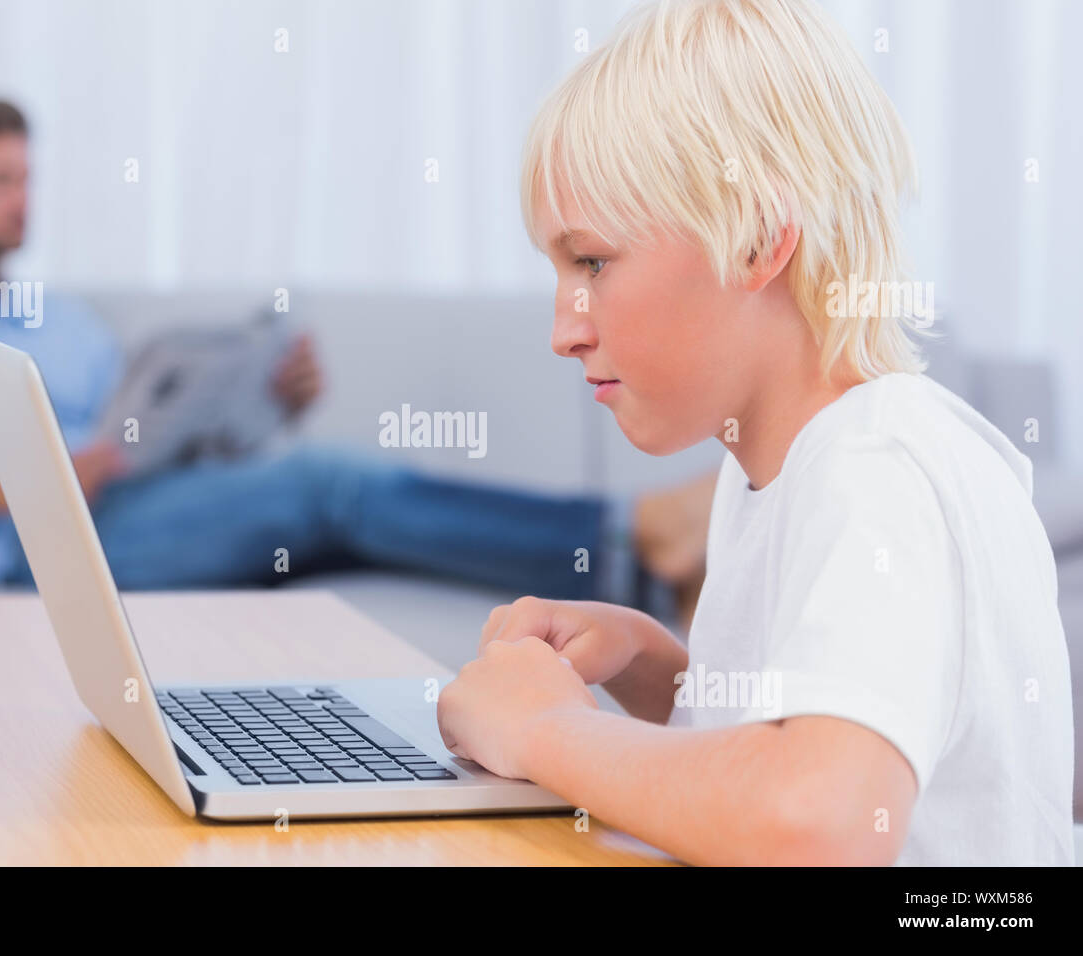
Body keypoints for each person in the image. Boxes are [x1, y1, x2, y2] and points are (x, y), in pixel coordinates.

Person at [435, 0, 1074, 865]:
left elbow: (816, 821)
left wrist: (544, 731)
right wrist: (645, 660)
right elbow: (785, 743)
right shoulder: (774, 467)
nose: (565, 329)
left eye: (591, 263)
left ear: (758, 241)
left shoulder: (879, 470)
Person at [0, 100, 715, 620]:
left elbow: (151, 440)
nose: (24, 201)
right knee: (329, 485)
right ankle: (629, 540)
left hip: (132, 500)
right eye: (0, 181)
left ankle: (624, 561)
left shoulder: (63, 319)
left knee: (310, 477)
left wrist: (261, 401)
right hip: (36, 544)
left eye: (29, 178)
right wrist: (27, 483)